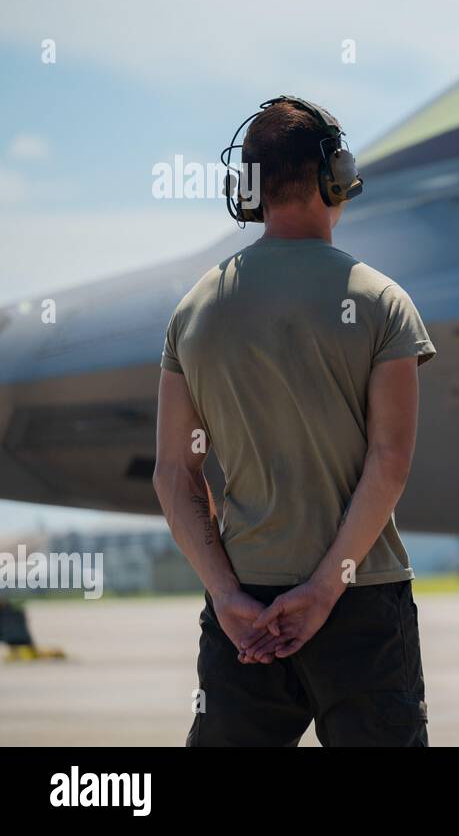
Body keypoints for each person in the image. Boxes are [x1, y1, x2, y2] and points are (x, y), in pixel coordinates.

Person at [153, 96, 436, 746]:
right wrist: (325, 589)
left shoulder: (195, 311)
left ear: (247, 188)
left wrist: (226, 597)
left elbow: (174, 472)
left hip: (246, 614)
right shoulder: (381, 301)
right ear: (334, 174)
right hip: (361, 595)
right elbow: (389, 463)